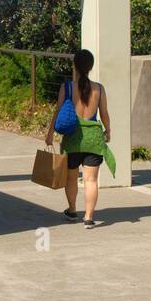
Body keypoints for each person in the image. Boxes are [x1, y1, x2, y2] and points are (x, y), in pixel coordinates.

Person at [45, 48, 116, 228]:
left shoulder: (67, 87)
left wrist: (50, 133)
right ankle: (89, 218)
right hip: (93, 139)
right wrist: (108, 131)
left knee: (71, 177)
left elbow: (58, 112)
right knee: (91, 180)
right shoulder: (99, 88)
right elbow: (105, 114)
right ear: (90, 67)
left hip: (72, 139)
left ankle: (72, 210)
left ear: (75, 65)